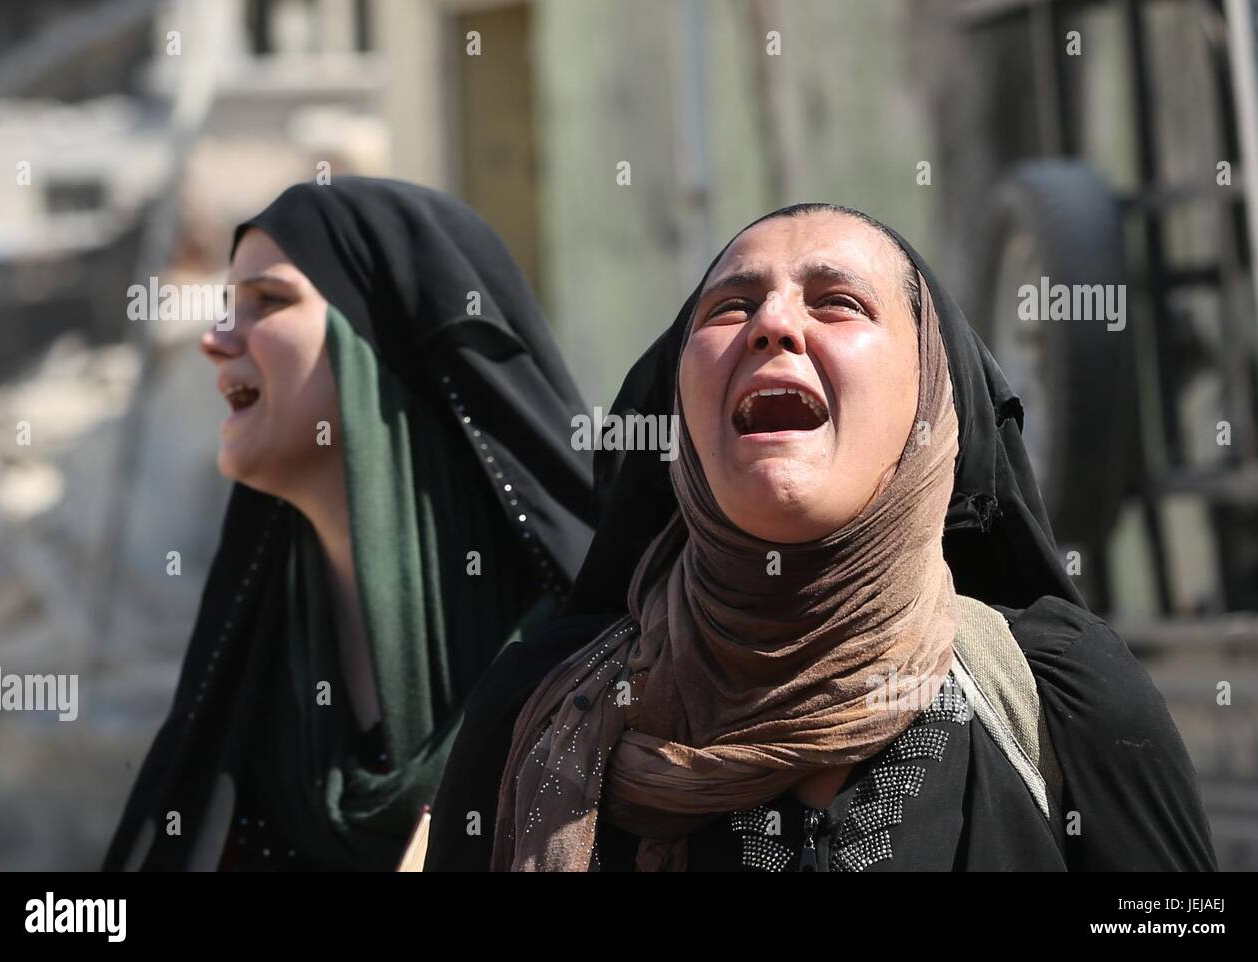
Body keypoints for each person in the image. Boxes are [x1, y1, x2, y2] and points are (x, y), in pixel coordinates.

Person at [425, 202, 1217, 872]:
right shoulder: (539, 714)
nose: (773, 324)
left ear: (931, 400)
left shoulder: (1063, 701)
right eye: (729, 309)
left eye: (838, 302)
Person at [103, 177, 594, 871]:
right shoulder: (255, 675)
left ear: (381, 351)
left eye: (267, 301)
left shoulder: (585, 672)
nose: (215, 341)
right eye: (225, 307)